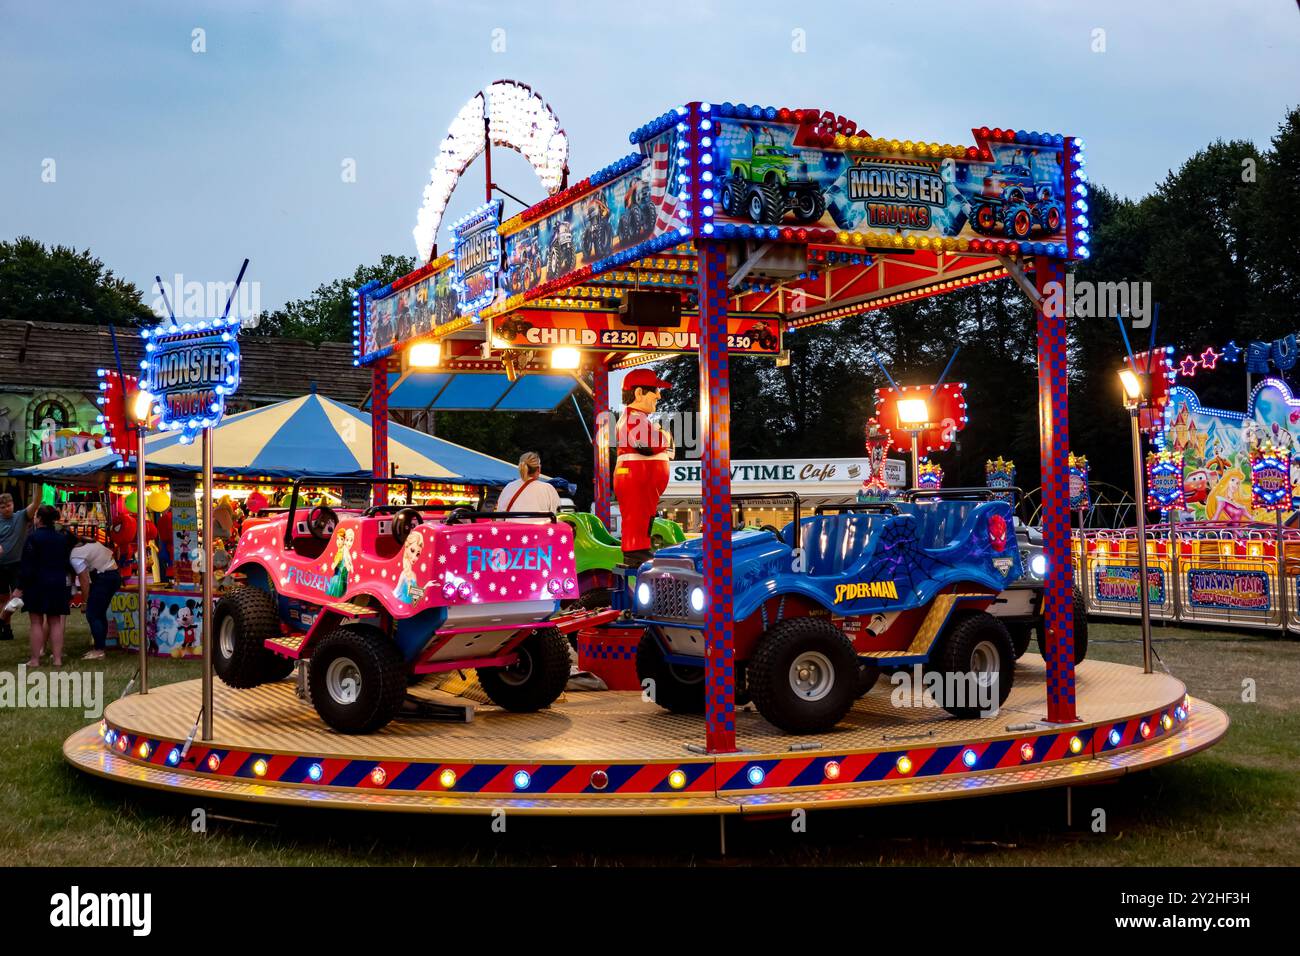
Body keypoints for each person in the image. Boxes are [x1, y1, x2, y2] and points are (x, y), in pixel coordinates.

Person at [613, 368, 674, 566]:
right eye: (654, 390)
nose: (658, 395)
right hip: (636, 478)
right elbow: (650, 445)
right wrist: (665, 436)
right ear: (638, 392)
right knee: (637, 516)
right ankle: (635, 552)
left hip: (641, 479)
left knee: (642, 516)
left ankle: (638, 549)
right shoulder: (633, 419)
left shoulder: (637, 419)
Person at [19, 504, 73, 666]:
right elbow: (66, 562)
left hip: (37, 583)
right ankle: (57, 659)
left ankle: (35, 659)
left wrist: (20, 587)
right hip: (57, 582)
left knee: (36, 621)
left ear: (40, 519)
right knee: (55, 621)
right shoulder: (61, 538)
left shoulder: (33, 538)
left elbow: (27, 565)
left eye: (36, 515)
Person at [70, 535, 121, 661]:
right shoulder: (88, 543)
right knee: (99, 613)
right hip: (113, 575)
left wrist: (85, 601)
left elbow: (84, 580)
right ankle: (100, 647)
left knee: (92, 614)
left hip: (104, 578)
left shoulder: (75, 555)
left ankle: (99, 650)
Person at [0, 486, 40, 641]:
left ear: (13, 504)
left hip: (17, 564)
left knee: (17, 597)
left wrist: (39, 483)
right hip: (1, 566)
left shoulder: (21, 516)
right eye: (2, 507)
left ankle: (2, 620)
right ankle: (6, 629)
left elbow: (35, 503)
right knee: (3, 598)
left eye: (8, 505)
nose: (6, 509)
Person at [495, 452, 561, 523]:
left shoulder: (508, 487)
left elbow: (499, 519)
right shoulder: (548, 489)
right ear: (538, 469)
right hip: (540, 533)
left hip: (512, 532)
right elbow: (556, 516)